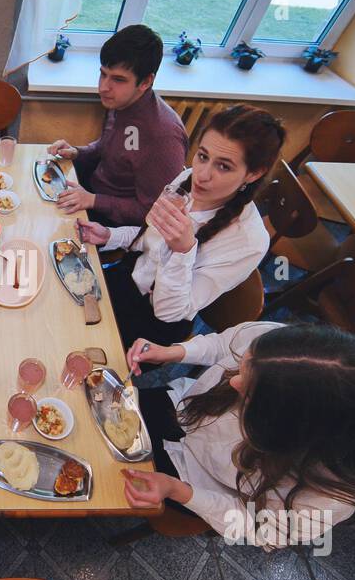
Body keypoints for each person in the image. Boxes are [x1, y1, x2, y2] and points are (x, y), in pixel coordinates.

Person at [121, 322, 355, 549]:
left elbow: (259, 528)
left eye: (248, 392)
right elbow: (224, 343)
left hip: (196, 481)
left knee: (108, 479)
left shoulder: (331, 497)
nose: (234, 381)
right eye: (242, 366)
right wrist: (172, 352)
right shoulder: (284, 350)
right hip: (184, 411)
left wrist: (178, 490)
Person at [77, 104, 280, 350]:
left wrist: (183, 251)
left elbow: (169, 312)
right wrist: (111, 235)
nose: (202, 175)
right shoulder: (187, 181)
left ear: (254, 173)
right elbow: (148, 239)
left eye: (224, 166)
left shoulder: (248, 242)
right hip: (126, 279)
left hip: (152, 324)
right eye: (203, 156)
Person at [47, 24, 188, 228]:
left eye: (118, 79)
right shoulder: (121, 101)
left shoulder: (163, 137)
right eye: (103, 74)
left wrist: (93, 200)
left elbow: (153, 213)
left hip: (112, 222)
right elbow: (109, 147)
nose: (104, 87)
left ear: (146, 81)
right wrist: (77, 152)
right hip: (92, 187)